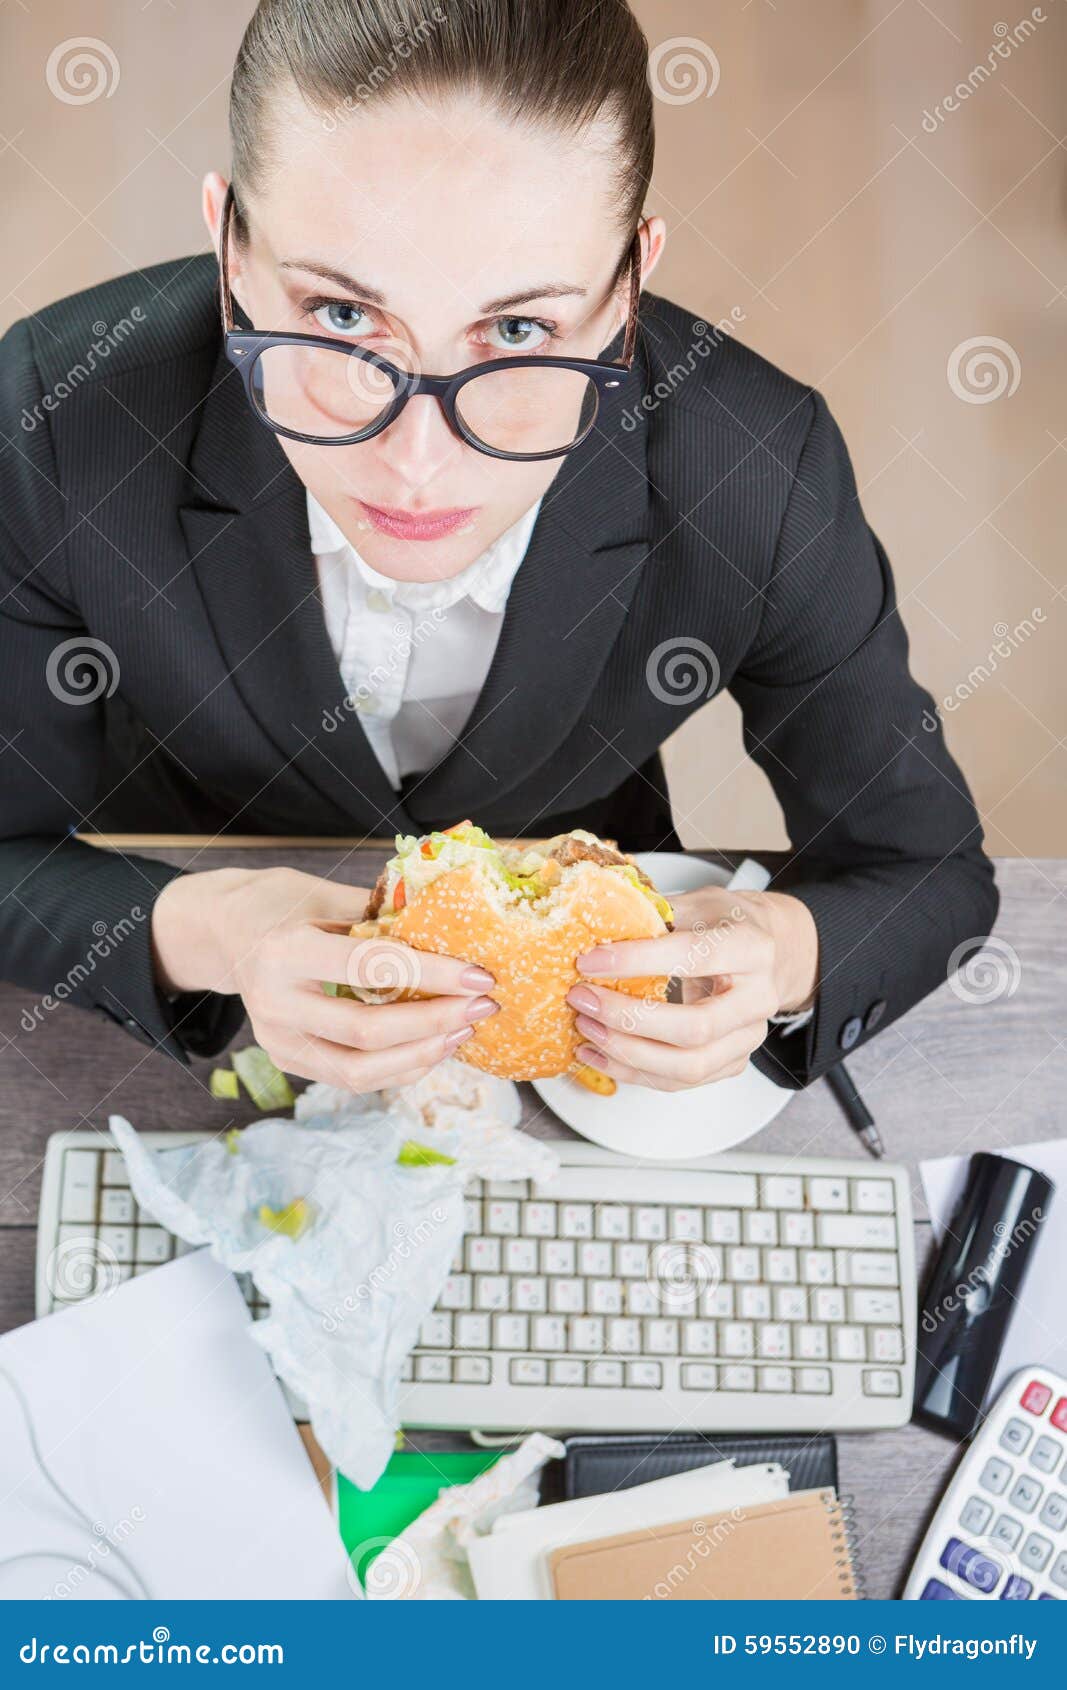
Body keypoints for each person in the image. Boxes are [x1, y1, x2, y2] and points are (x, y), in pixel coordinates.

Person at [0, 0, 996, 1096]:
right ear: (229, 249)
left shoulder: (753, 471)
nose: (416, 464)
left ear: (627, 291)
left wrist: (782, 955)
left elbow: (925, 872)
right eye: (338, 318)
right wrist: (203, 926)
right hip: (187, 874)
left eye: (518, 330)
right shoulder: (60, 422)